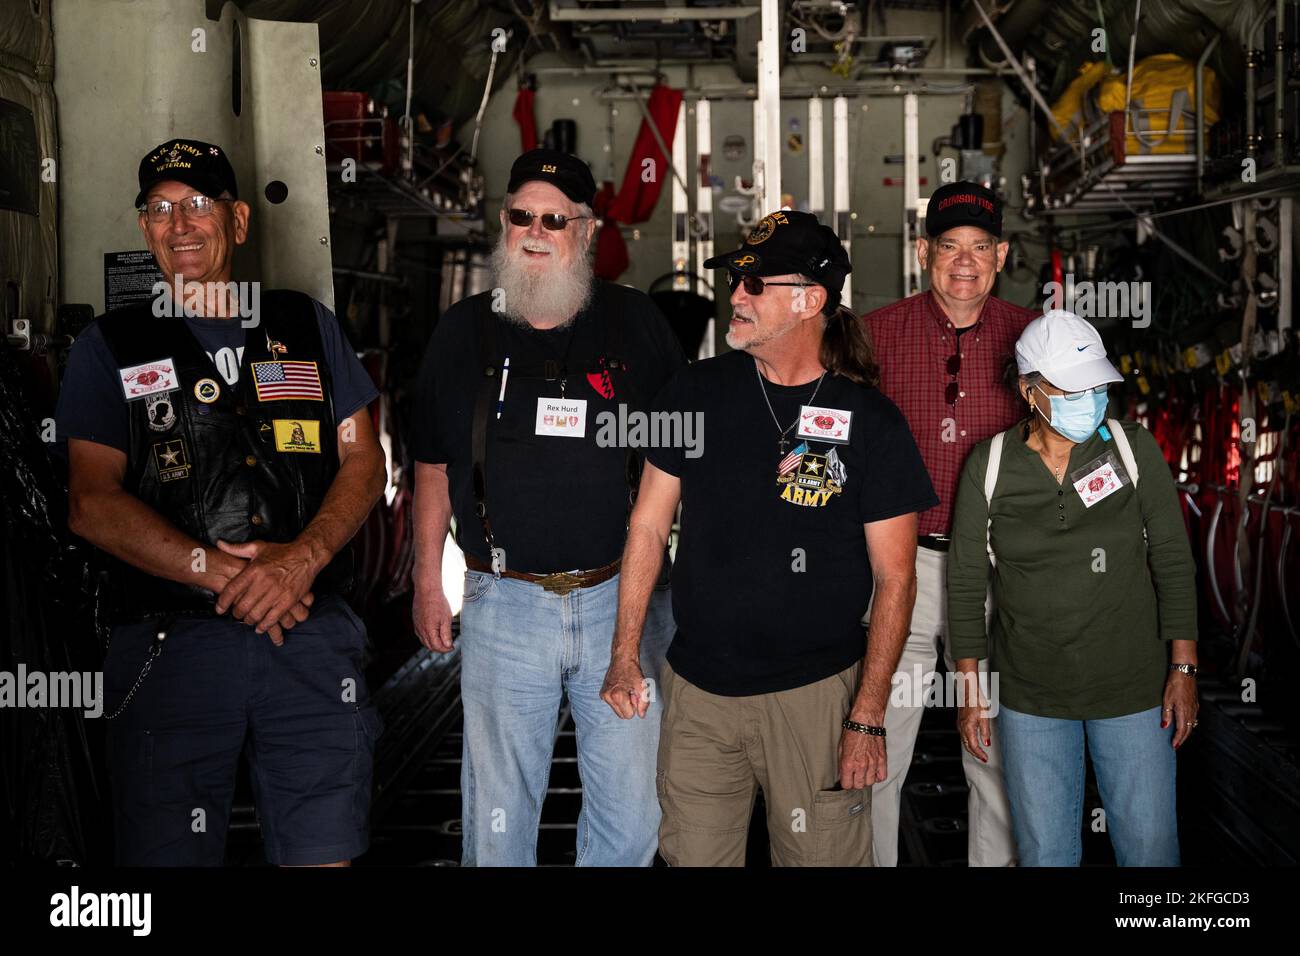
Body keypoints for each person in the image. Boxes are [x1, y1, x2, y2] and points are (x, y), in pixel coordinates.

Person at [56, 138, 386, 866]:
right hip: (174, 647)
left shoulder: (304, 325)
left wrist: (300, 561)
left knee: (323, 851)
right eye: (160, 208)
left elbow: (365, 461)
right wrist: (227, 574)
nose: (180, 223)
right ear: (144, 228)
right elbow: (91, 501)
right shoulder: (110, 345)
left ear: (237, 221)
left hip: (308, 640)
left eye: (198, 204)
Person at [602, 210, 937, 866]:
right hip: (698, 693)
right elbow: (646, 525)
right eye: (736, 282)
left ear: (810, 300)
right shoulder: (692, 393)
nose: (736, 297)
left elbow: (898, 579)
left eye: (756, 285)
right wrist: (623, 653)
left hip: (815, 698)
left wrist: (867, 717)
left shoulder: (870, 420)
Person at [411, 148, 686, 866]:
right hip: (504, 603)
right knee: (498, 824)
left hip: (621, 602)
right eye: (520, 216)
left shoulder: (636, 325)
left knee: (630, 821)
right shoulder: (462, 331)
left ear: (587, 231)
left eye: (553, 219)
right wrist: (425, 585)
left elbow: (679, 460)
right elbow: (433, 468)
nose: (534, 231)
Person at [946, 309, 1199, 866]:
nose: (1090, 397)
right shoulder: (988, 467)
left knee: (1151, 850)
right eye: (1073, 387)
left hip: (1133, 693)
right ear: (1029, 390)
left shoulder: (1133, 450)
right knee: (1046, 853)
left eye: (1096, 385)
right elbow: (965, 586)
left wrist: (1183, 669)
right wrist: (970, 695)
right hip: (1031, 698)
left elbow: (1173, 561)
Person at [862, 181, 1031, 866]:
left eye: (981, 247)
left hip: (997, 570)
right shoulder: (875, 335)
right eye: (951, 247)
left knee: (990, 745)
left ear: (1001, 254)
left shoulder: (1033, 337)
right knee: (876, 737)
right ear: (924, 251)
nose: (966, 262)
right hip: (902, 566)